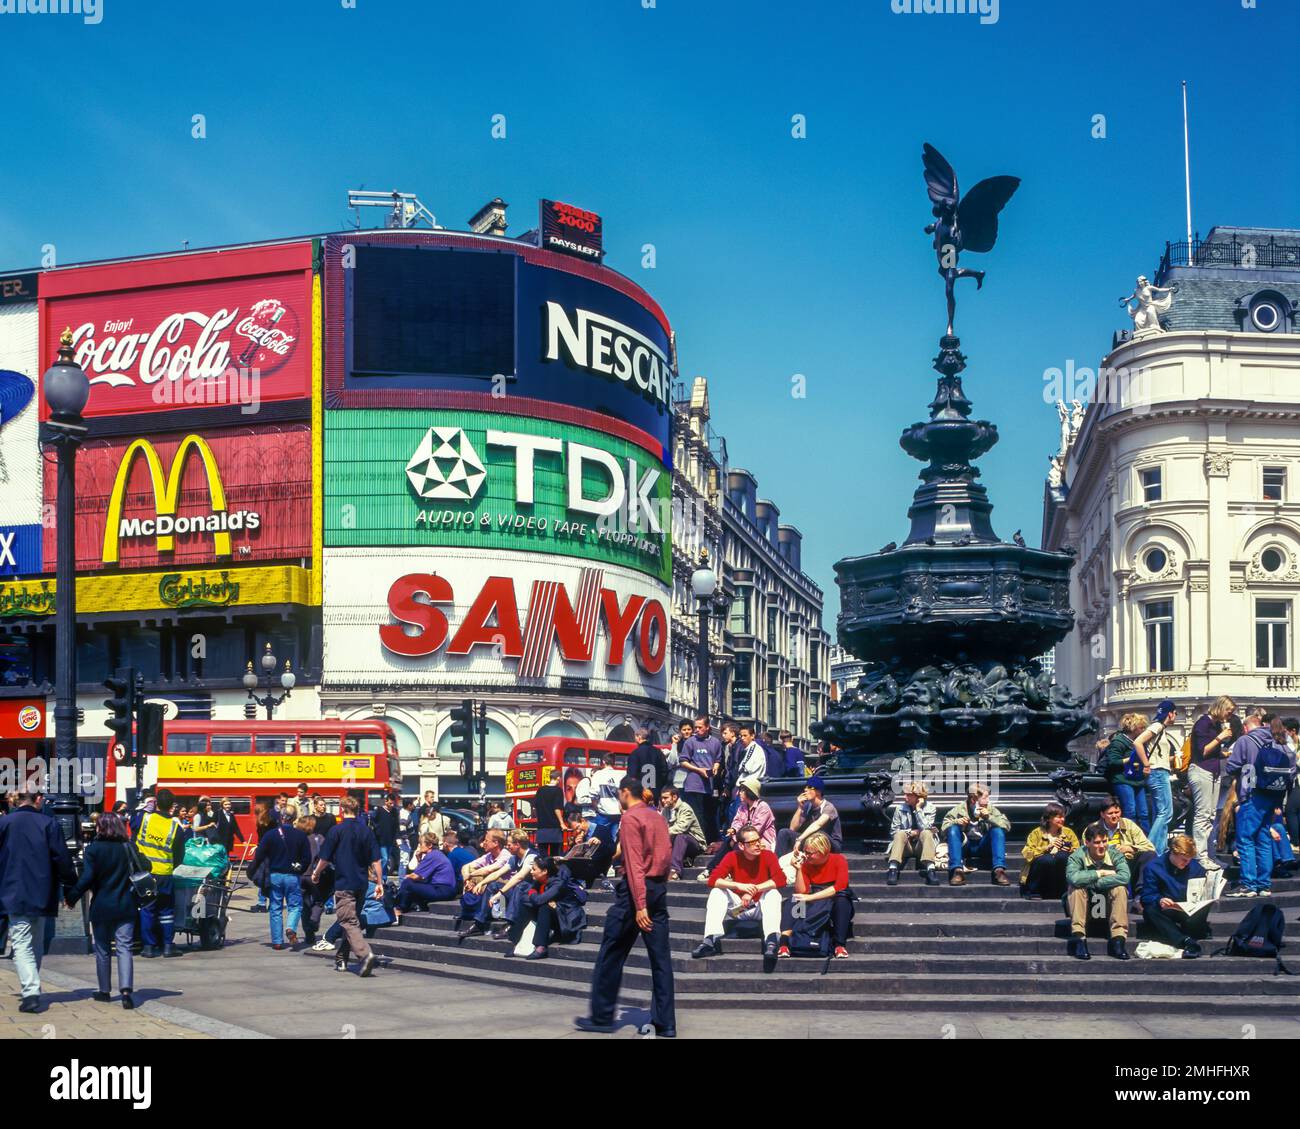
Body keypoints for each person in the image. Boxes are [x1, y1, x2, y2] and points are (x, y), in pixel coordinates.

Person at [577, 775, 675, 1037]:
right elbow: (666, 858)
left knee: (611, 953)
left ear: (624, 793)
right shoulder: (657, 816)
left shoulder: (631, 818)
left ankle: (601, 1017)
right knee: (661, 959)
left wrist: (640, 905)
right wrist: (655, 892)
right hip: (657, 888)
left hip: (635, 894)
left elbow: (633, 864)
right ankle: (666, 1023)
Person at [0, 792, 77, 1012]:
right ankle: (32, 985)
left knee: (21, 943)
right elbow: (62, 859)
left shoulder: (4, 823)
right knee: (36, 942)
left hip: (12, 890)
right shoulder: (49, 823)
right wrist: (71, 888)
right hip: (42, 891)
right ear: (38, 799)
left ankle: (31, 991)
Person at [65, 811, 139, 1009]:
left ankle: (104, 990)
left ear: (101, 827)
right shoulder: (128, 847)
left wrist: (71, 897)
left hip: (102, 905)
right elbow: (145, 866)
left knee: (103, 949)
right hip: (126, 904)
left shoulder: (94, 849)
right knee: (124, 948)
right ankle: (126, 991)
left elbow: (87, 878)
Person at [693, 823, 787, 971]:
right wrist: (739, 886)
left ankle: (772, 941)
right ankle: (710, 940)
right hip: (740, 909)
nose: (758, 844)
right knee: (717, 892)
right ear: (742, 846)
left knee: (773, 894)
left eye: (758, 840)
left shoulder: (768, 855)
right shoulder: (732, 857)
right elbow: (713, 880)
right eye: (752, 842)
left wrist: (754, 889)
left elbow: (781, 879)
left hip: (760, 909)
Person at [1225, 714, 1296, 897]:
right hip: (1272, 795)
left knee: (1246, 839)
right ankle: (1264, 885)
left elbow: (1232, 766)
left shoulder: (1245, 740)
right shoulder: (1278, 739)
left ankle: (1248, 884)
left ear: (1247, 727)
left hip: (1252, 794)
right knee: (1263, 838)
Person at [311, 795, 383, 977]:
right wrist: (380, 882)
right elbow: (376, 860)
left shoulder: (336, 830)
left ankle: (365, 955)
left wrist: (316, 873)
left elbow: (325, 858)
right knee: (352, 922)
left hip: (344, 883)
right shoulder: (366, 831)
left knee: (348, 922)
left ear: (342, 810)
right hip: (361, 883)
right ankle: (341, 957)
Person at [133, 787, 190, 958]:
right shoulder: (176, 826)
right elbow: (180, 854)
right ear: (172, 805)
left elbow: (132, 829)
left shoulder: (145, 819)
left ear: (157, 802)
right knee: (166, 910)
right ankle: (167, 945)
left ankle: (149, 947)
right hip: (165, 873)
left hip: (144, 874)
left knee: (147, 909)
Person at [778, 832, 852, 959]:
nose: (806, 856)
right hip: (815, 903)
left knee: (842, 901)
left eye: (810, 853)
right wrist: (799, 869)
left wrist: (810, 898)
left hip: (833, 899)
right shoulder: (806, 864)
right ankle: (784, 943)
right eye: (805, 852)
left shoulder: (839, 860)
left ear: (824, 851)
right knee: (794, 900)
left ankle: (839, 945)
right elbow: (801, 891)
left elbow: (839, 886)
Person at [1064, 822, 1131, 961]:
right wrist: (1099, 873)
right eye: (1097, 842)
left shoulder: (1115, 854)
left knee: (1120, 888)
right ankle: (1079, 939)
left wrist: (1095, 883)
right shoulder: (1076, 856)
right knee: (1076, 888)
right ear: (1087, 842)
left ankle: (1118, 940)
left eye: (1104, 841)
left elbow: (1125, 876)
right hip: (1084, 905)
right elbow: (1073, 878)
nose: (1102, 846)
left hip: (1107, 904)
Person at [251, 803, 311, 950]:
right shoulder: (301, 835)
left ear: (280, 818)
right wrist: (300, 868)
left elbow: (259, 855)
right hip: (292, 876)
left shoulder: (270, 835)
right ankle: (290, 927)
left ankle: (277, 941)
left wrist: (254, 870)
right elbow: (307, 858)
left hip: (275, 875)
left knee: (276, 908)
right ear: (294, 818)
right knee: (295, 906)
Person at [1141, 834, 1210, 957]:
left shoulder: (1195, 867)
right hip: (1168, 910)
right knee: (1149, 909)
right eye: (1184, 860)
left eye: (1189, 860)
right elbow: (1147, 895)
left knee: (1206, 903)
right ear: (1173, 853)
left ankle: (1189, 933)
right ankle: (1184, 940)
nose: (1187, 863)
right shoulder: (1154, 867)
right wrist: (1159, 899)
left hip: (1190, 911)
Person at [1187, 696, 1236, 870]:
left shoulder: (1214, 725)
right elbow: (1203, 750)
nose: (1229, 715)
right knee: (1203, 815)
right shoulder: (1203, 723)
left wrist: (1224, 753)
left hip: (1212, 771)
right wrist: (1220, 737)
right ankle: (1200, 856)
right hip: (1202, 771)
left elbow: (1212, 750)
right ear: (1220, 708)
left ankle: (1210, 855)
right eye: (1228, 711)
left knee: (1211, 815)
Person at [461, 830, 537, 941]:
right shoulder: (514, 858)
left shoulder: (531, 857)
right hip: (517, 893)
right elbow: (498, 873)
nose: (507, 846)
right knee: (493, 885)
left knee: (520, 885)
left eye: (510, 844)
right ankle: (479, 923)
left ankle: (511, 924)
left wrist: (500, 893)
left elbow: (519, 877)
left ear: (517, 845)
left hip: (532, 894)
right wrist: (483, 883)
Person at [514, 856, 588, 959]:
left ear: (544, 871)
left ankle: (541, 947)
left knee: (544, 906)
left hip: (566, 917)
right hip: (554, 914)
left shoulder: (558, 883)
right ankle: (517, 943)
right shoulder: (538, 881)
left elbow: (538, 900)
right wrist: (533, 893)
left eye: (534, 869)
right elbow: (525, 897)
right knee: (527, 905)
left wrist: (534, 894)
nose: (531, 872)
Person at [942, 782, 1011, 885]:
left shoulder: (990, 809)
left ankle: (999, 870)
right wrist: (957, 822)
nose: (988, 801)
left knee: (997, 830)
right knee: (953, 829)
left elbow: (1007, 825)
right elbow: (943, 827)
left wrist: (989, 818)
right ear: (973, 800)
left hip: (983, 845)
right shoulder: (959, 809)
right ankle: (957, 871)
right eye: (985, 798)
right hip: (965, 846)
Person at [1094, 795, 1157, 908]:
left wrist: (1131, 848)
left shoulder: (1128, 824)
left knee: (1149, 855)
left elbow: (1149, 847)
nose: (1115, 816)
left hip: (1128, 861)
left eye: (1117, 812)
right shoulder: (1093, 828)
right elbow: (1086, 852)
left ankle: (1140, 896)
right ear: (1102, 814)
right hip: (1106, 865)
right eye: (1110, 813)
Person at [704, 778, 775, 876]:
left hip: (761, 840)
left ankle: (726, 871)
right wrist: (733, 830)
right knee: (730, 841)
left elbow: (755, 830)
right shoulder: (742, 807)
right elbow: (737, 821)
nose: (738, 793)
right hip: (744, 838)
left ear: (749, 792)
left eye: (742, 790)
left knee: (735, 843)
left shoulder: (763, 807)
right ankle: (711, 869)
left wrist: (736, 837)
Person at [1134, 699, 1179, 852]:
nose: (1176, 716)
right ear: (1171, 714)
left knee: (1162, 813)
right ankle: (1149, 849)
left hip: (1159, 771)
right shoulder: (1158, 726)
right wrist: (1147, 764)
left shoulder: (1160, 728)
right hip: (1158, 772)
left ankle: (1159, 849)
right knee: (1165, 812)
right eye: (1175, 713)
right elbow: (1138, 742)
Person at [1099, 713, 1151, 831]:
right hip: (1123, 780)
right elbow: (1112, 762)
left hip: (1137, 780)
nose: (1144, 730)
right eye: (1141, 727)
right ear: (1133, 727)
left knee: (1144, 813)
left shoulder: (1140, 742)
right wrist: (1131, 759)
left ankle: (1146, 841)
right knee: (1130, 811)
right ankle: (1129, 837)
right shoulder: (1119, 741)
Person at [1019, 802, 1079, 899]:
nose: (1062, 819)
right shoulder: (1036, 833)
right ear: (1049, 818)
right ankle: (1033, 891)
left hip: (1059, 879)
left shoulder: (1069, 833)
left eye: (1063, 816)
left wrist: (1069, 851)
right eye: (1058, 817)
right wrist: (1046, 848)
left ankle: (1064, 891)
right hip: (1040, 877)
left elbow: (1078, 853)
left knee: (1062, 856)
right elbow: (1027, 854)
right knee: (1047, 859)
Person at [886, 780, 941, 886]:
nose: (905, 797)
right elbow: (893, 832)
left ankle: (931, 870)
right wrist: (910, 832)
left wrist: (918, 809)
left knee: (927, 833)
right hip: (906, 847)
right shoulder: (900, 809)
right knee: (900, 834)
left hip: (922, 847)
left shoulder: (931, 808)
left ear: (919, 797)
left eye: (909, 795)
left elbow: (926, 828)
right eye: (905, 794)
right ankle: (893, 869)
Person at [678, 715, 723, 843]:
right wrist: (698, 770)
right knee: (697, 816)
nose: (696, 730)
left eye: (699, 727)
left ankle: (709, 841)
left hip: (708, 785)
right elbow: (683, 761)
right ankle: (699, 842)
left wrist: (715, 767)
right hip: (693, 785)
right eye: (696, 727)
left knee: (708, 816)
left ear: (707, 727)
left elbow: (718, 759)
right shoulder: (690, 742)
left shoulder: (715, 742)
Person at [395, 833, 456, 922]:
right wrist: (419, 860)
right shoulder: (436, 854)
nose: (419, 846)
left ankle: (399, 909)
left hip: (443, 889)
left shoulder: (432, 855)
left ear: (429, 845)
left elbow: (415, 876)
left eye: (421, 843)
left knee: (407, 883)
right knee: (413, 885)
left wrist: (405, 877)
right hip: (446, 889)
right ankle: (418, 906)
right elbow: (422, 876)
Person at [776, 778, 843, 857]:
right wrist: (800, 807)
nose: (805, 789)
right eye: (805, 787)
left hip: (831, 844)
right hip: (812, 840)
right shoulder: (807, 806)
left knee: (820, 833)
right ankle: (779, 865)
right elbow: (792, 828)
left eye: (809, 787)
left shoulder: (828, 807)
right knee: (784, 833)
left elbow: (818, 824)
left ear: (818, 791)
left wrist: (800, 839)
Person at [662, 785, 707, 879]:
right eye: (662, 798)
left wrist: (662, 832)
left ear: (674, 797)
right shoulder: (665, 810)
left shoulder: (685, 808)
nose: (663, 800)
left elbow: (681, 827)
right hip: (676, 844)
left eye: (666, 798)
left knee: (681, 836)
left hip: (695, 844)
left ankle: (675, 871)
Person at [299, 814, 330, 946]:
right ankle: (314, 919)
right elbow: (324, 856)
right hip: (314, 874)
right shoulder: (318, 838)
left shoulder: (298, 838)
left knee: (304, 905)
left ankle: (309, 934)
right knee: (319, 901)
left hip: (300, 875)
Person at [627, 728, 670, 805]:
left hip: (640, 794)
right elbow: (664, 773)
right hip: (656, 794)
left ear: (639, 737)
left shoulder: (635, 753)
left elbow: (631, 776)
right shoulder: (659, 753)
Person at [590, 752, 624, 847]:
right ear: (614, 762)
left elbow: (593, 793)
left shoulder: (598, 774)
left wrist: (595, 807)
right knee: (613, 839)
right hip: (617, 812)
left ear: (603, 762)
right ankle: (611, 859)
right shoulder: (620, 774)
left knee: (598, 838)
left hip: (603, 812)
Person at [532, 776, 566, 856]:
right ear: (558, 778)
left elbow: (534, 808)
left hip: (541, 828)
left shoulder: (540, 790)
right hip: (554, 829)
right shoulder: (558, 790)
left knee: (543, 856)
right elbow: (557, 808)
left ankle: (544, 869)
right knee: (555, 856)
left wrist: (539, 818)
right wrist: (562, 823)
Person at [371, 792, 401, 876]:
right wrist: (377, 831)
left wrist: (397, 837)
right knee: (384, 858)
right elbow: (372, 822)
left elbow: (396, 825)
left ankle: (383, 879)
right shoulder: (379, 811)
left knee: (387, 859)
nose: (391, 805)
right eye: (390, 803)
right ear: (386, 801)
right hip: (381, 840)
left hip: (390, 839)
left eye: (393, 804)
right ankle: (375, 874)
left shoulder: (394, 811)